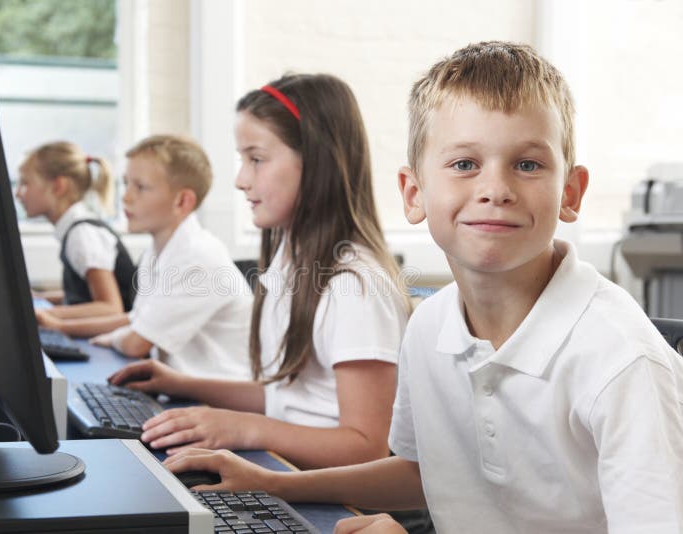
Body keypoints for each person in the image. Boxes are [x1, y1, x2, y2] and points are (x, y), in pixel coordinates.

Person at [161, 42, 683, 534]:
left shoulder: (622, 361)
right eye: (464, 165)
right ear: (413, 193)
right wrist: (276, 484)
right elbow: (419, 474)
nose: (495, 190)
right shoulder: (431, 325)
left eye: (528, 165)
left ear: (570, 193)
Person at [108, 73, 411, 470]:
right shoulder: (290, 260)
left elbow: (366, 446)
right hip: (291, 471)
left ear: (317, 161)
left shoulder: (354, 286)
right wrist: (181, 384)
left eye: (256, 158)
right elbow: (290, 400)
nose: (240, 180)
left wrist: (245, 429)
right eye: (241, 159)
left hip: (349, 504)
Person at [39, 135, 252, 380]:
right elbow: (136, 319)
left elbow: (135, 342)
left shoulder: (198, 256)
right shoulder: (158, 250)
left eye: (140, 187)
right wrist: (61, 327)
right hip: (183, 391)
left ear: (182, 201)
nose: (126, 197)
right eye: (126, 183)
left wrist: (112, 338)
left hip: (216, 400)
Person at [17, 141, 135, 319]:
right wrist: (40, 298)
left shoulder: (82, 234)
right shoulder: (75, 229)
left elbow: (111, 307)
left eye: (25, 183)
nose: (18, 193)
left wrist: (45, 314)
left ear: (58, 186)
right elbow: (82, 296)